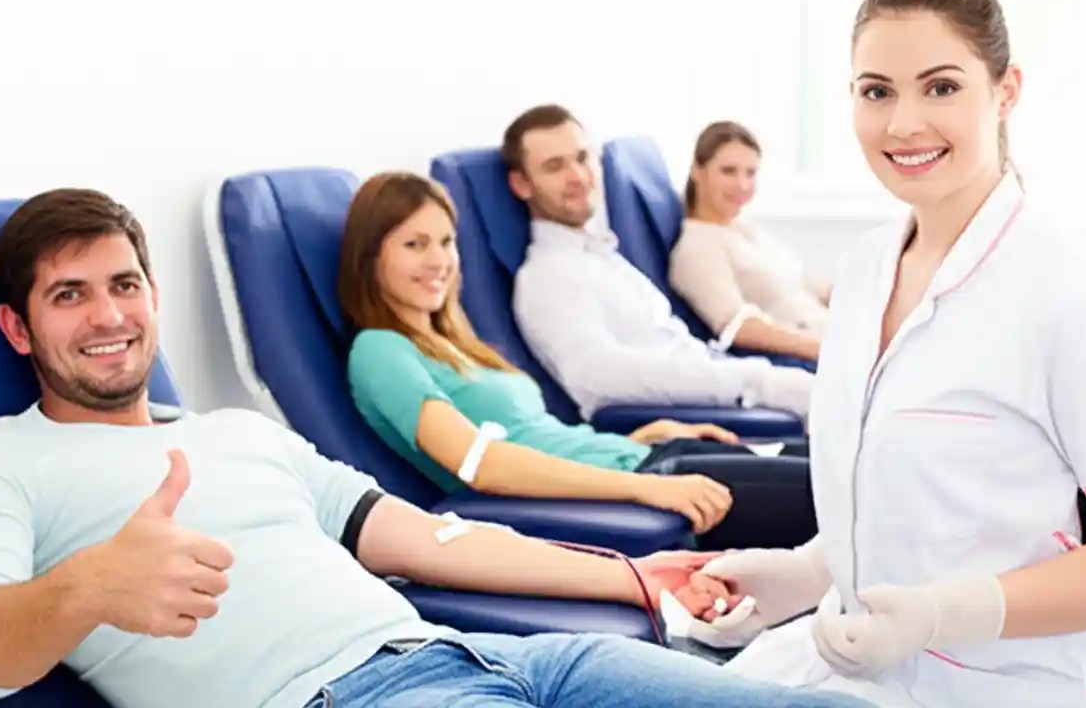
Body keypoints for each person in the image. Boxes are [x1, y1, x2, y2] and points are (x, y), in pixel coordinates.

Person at [0, 188, 874, 708]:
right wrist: (87, 586)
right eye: (69, 295)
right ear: (16, 328)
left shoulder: (239, 433)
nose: (109, 315)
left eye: (124, 284)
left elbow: (427, 541)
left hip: (495, 656)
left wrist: (635, 579)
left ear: (153, 298)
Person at [694, 0, 1086, 706]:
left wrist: (944, 616)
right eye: (877, 91)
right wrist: (809, 575)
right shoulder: (867, 271)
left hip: (1008, 686)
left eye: (941, 86)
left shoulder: (1069, 297)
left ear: (1006, 90)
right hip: (845, 664)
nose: (903, 123)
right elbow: (913, 508)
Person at [341, 171, 818, 550]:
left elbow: (536, 438)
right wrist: (643, 488)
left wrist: (635, 438)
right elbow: (482, 467)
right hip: (641, 482)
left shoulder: (455, 343)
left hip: (641, 459)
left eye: (446, 242)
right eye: (414, 244)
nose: (438, 260)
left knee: (841, 461)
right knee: (849, 493)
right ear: (370, 256)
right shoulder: (381, 350)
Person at [505, 104, 816, 423]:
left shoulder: (605, 255)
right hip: (688, 418)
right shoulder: (547, 277)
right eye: (555, 167)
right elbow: (597, 377)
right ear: (522, 185)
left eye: (583, 158)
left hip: (713, 383)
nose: (579, 177)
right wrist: (755, 380)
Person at [670, 121, 831, 363]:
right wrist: (825, 349)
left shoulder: (742, 228)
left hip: (834, 331)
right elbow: (736, 327)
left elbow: (807, 283)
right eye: (728, 171)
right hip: (812, 352)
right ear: (697, 170)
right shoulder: (697, 248)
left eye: (750, 173)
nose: (742, 185)